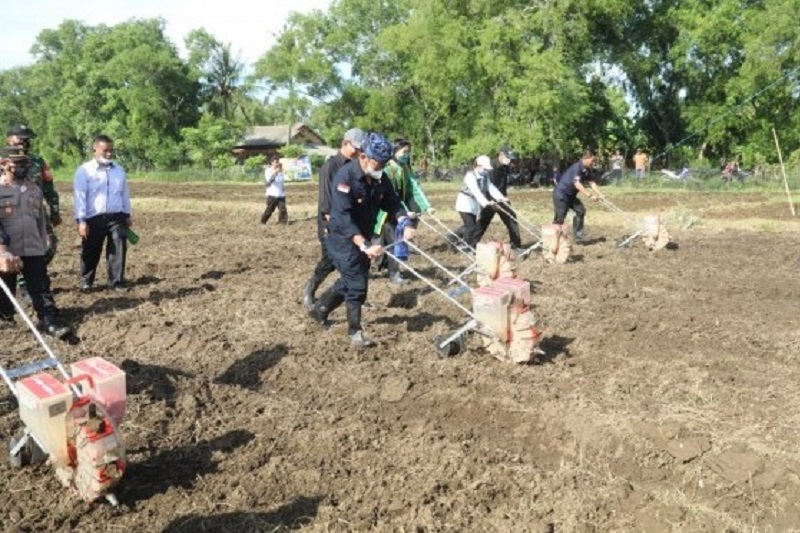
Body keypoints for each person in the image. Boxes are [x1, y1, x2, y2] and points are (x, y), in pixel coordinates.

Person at [308, 132, 414, 348]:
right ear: (364, 156)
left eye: (384, 163)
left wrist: (404, 220)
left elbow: (392, 201)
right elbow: (342, 217)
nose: (381, 167)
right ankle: (355, 332)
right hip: (341, 238)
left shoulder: (379, 177)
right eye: (378, 162)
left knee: (351, 280)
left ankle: (320, 310)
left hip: (364, 234)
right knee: (357, 284)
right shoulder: (344, 178)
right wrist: (363, 245)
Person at [0, 146, 71, 338]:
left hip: (33, 248)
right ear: (4, 164)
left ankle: (48, 321)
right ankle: (5, 321)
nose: (23, 167)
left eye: (25, 163)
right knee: (4, 291)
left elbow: (40, 217)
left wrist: (45, 238)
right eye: (18, 163)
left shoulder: (34, 189)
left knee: (41, 288)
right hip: (6, 251)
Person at [301, 128, 365, 310]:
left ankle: (356, 297)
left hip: (350, 223)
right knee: (330, 261)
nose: (358, 152)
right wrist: (336, 227)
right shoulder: (331, 167)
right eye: (356, 147)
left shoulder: (354, 167)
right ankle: (309, 290)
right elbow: (326, 202)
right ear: (345, 143)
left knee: (355, 263)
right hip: (333, 224)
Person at [6, 124, 61, 303]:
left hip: (36, 214)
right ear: (9, 139)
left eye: (27, 139)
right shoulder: (2, 160)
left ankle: (31, 281)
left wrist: (54, 211)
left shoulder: (37, 161)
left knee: (48, 247)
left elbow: (49, 188)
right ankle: (26, 286)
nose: (24, 142)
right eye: (20, 138)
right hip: (9, 216)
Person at [73, 134, 133, 292]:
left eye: (111, 150)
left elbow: (124, 193)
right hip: (93, 218)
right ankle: (86, 281)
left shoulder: (119, 170)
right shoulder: (84, 171)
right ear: (94, 150)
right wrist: (81, 221)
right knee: (91, 250)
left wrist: (127, 214)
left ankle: (116, 282)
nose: (109, 153)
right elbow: (80, 197)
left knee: (118, 248)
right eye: (105, 150)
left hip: (116, 216)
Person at [374, 138, 432, 284]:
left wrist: (427, 206)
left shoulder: (405, 168)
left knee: (395, 240)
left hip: (397, 210)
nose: (407, 155)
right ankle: (394, 274)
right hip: (385, 212)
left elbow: (414, 187)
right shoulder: (387, 169)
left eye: (408, 152)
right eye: (404, 152)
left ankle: (390, 267)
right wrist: (405, 211)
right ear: (394, 152)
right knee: (393, 240)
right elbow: (391, 195)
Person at [472, 147, 523, 253]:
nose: (510, 160)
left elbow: (502, 184)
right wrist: (491, 202)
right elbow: (488, 187)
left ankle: (516, 245)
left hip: (501, 198)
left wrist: (503, 198)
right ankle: (470, 244)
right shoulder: (491, 167)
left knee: (511, 218)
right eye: (508, 157)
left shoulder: (505, 167)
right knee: (482, 223)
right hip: (491, 199)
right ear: (501, 155)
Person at [454, 156, 508, 248]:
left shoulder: (485, 175)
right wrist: (486, 202)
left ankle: (452, 237)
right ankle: (467, 247)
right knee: (471, 227)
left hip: (474, 204)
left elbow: (491, 188)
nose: (486, 171)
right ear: (478, 166)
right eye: (485, 168)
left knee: (471, 226)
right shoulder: (470, 176)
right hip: (464, 202)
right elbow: (476, 191)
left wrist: (501, 198)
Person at [553, 149, 603, 244]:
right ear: (586, 158)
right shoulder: (577, 168)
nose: (593, 163)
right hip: (561, 194)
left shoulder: (587, 169)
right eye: (592, 161)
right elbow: (578, 185)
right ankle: (553, 239)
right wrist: (590, 195)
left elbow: (591, 182)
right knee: (560, 218)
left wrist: (600, 194)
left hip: (571, 195)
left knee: (580, 210)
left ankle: (579, 237)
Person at [260, 155, 288, 225]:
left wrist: (283, 190)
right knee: (269, 210)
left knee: (283, 209)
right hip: (272, 194)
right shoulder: (268, 170)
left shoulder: (280, 172)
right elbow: (269, 181)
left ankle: (283, 222)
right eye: (275, 162)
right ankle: (263, 221)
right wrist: (275, 173)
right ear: (272, 163)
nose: (277, 164)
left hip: (280, 194)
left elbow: (281, 182)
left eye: (278, 162)